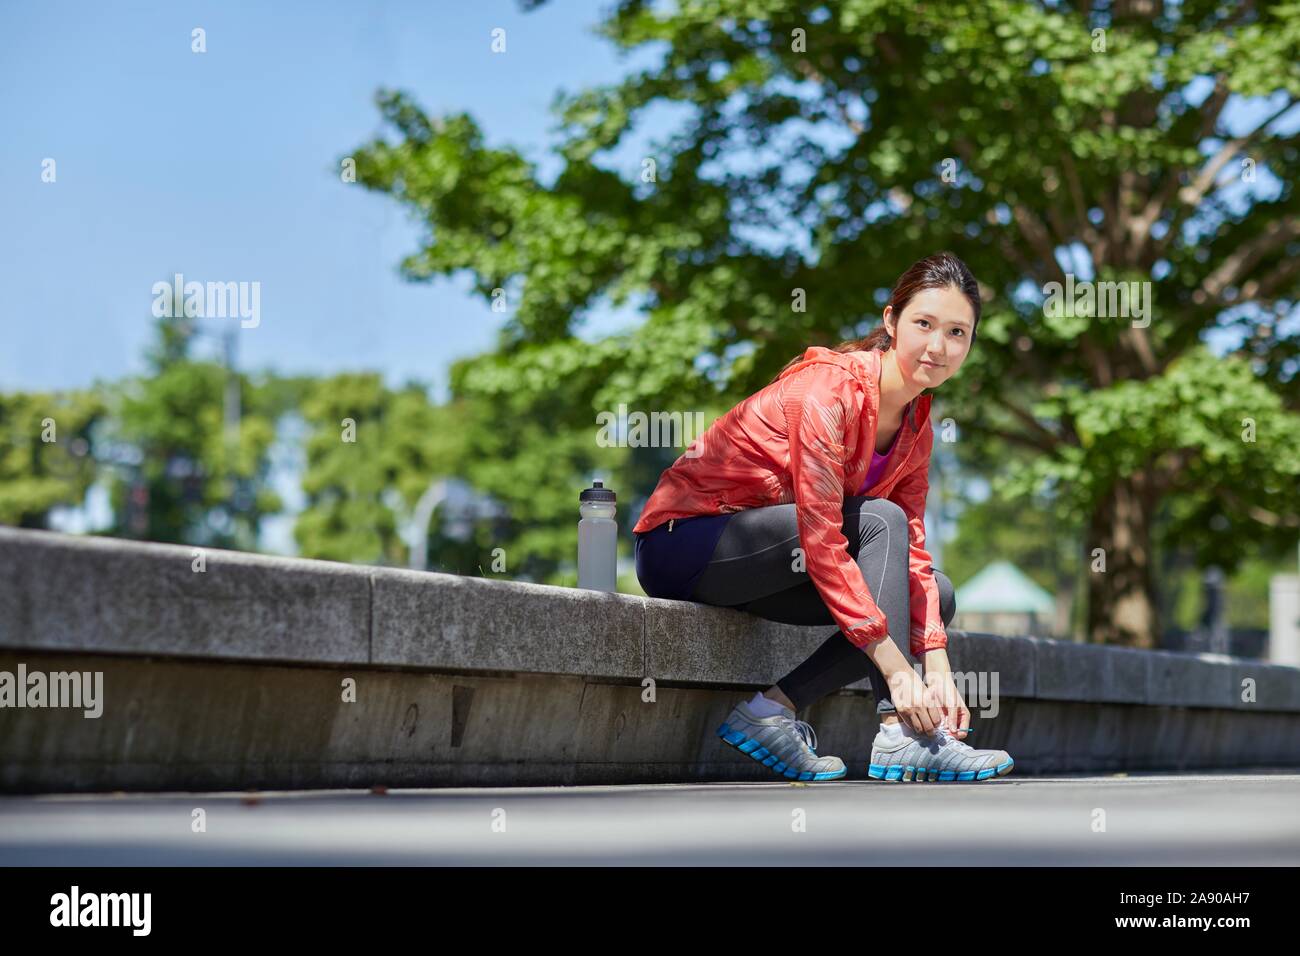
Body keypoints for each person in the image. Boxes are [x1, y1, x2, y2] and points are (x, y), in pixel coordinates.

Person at [632, 251, 1014, 783]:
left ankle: (769, 713)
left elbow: (914, 549)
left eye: (957, 332)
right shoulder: (828, 390)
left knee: (936, 592)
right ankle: (900, 732)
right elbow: (822, 536)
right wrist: (901, 675)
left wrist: (938, 666)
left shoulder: (916, 426)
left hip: (769, 567)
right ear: (890, 321)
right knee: (879, 519)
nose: (937, 346)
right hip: (687, 543)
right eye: (923, 324)